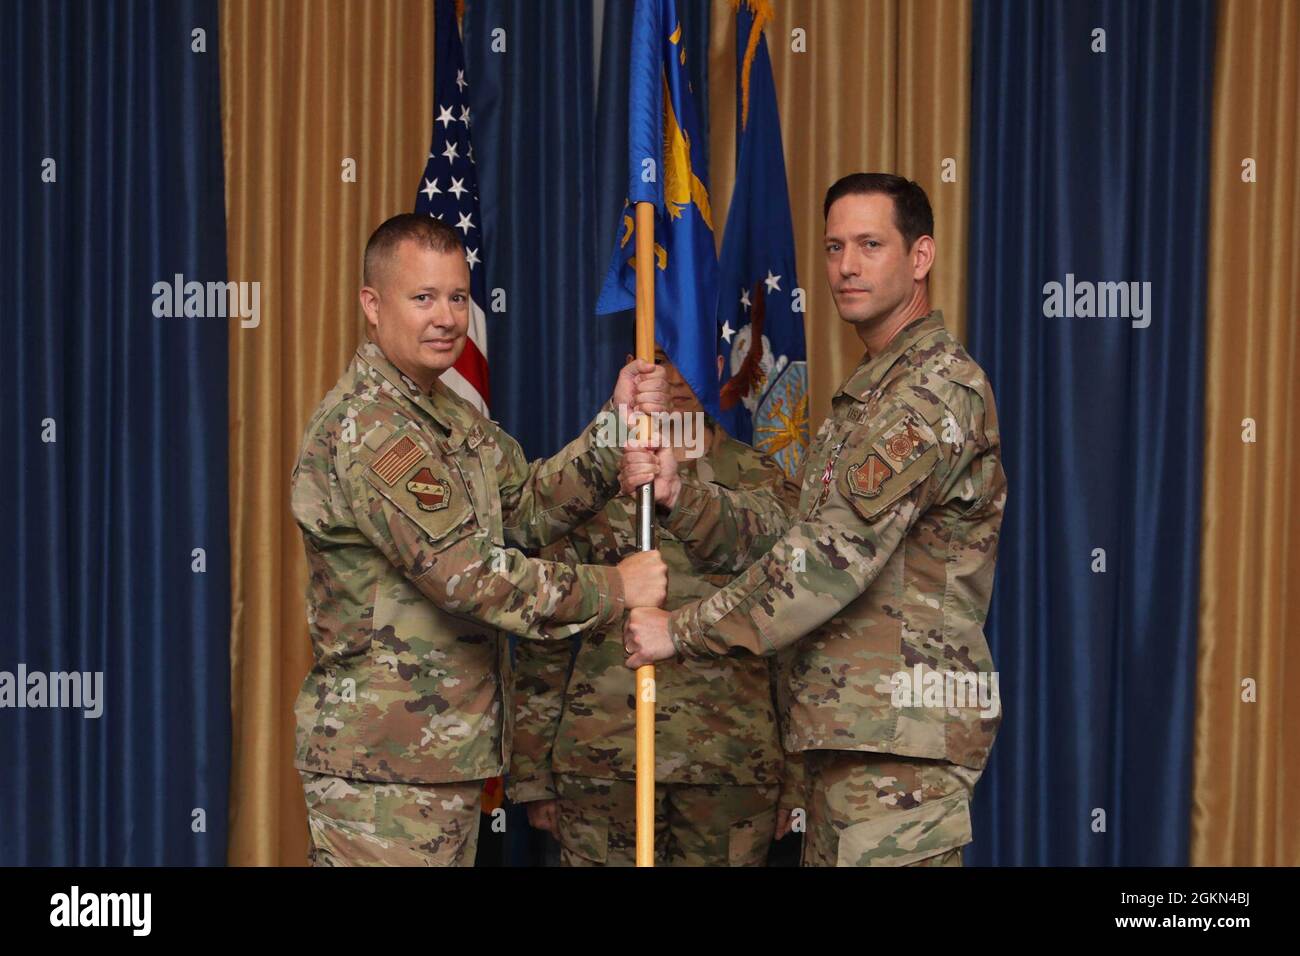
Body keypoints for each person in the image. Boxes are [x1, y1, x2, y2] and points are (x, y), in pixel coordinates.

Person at [621, 173, 1007, 867]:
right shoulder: (870, 392)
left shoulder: (930, 392)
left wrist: (679, 632)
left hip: (899, 749)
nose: (847, 267)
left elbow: (827, 561)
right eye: (834, 247)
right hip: (847, 740)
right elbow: (792, 540)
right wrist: (684, 497)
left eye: (869, 244)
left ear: (921, 258)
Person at [291, 213, 669, 866]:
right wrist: (616, 588)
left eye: (457, 297)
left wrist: (616, 430)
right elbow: (469, 576)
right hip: (385, 770)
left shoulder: (445, 413)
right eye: (423, 298)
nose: (446, 317)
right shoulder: (374, 430)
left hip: (438, 758)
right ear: (372, 305)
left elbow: (520, 507)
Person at [508, 349, 805, 866]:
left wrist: (797, 777)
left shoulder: (761, 479)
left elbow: (794, 627)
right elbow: (547, 633)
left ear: (717, 366)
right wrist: (532, 769)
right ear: (637, 366)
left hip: (732, 763)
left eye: (693, 355)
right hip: (605, 760)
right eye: (664, 358)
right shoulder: (591, 478)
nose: (677, 376)